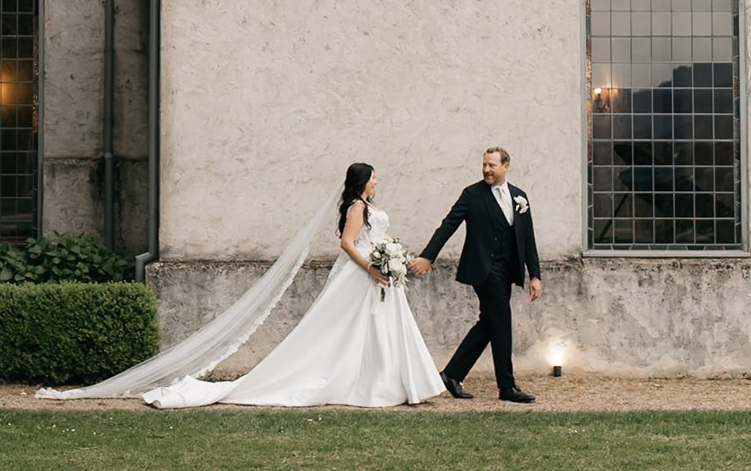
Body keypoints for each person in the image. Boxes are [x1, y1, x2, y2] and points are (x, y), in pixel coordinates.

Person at [139, 163, 447, 409]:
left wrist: (390, 257)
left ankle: (390, 382)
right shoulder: (356, 206)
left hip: (378, 273)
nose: (377, 182)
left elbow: (372, 238)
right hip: (363, 274)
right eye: (374, 178)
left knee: (380, 326)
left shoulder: (366, 205)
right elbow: (347, 242)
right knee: (353, 328)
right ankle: (373, 384)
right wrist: (371, 267)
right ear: (363, 180)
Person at [408, 146, 543, 403]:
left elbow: (528, 239)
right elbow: (448, 225)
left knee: (489, 324)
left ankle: (451, 374)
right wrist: (428, 256)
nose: (486, 170)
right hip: (483, 268)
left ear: (506, 166)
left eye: (492, 165)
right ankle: (507, 386)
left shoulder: (520, 197)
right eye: (484, 165)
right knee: (501, 322)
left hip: (507, 270)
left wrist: (534, 275)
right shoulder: (472, 194)